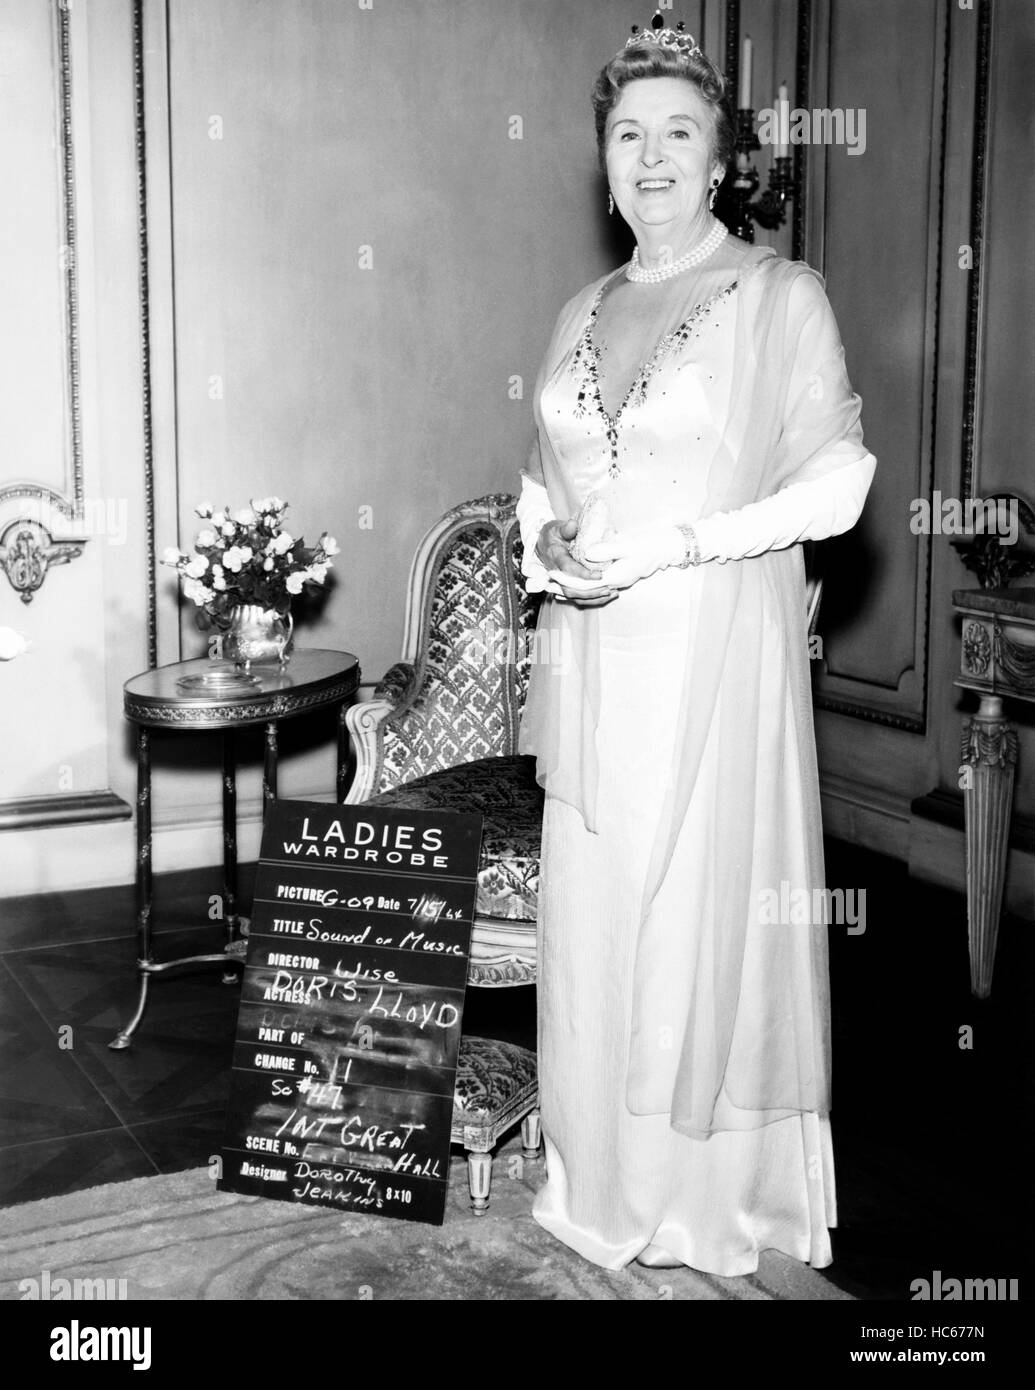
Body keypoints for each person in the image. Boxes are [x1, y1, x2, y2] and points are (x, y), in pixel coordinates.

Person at [515, 14, 875, 1276]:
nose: (651, 156)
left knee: (689, 927)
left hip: (710, 667)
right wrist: (540, 551)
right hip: (589, 662)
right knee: (599, 918)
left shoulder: (781, 297)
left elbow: (838, 486)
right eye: (628, 134)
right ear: (603, 163)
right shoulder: (579, 307)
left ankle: (703, 1198)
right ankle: (596, 1178)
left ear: (722, 160)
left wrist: (675, 548)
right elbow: (539, 483)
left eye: (679, 133)